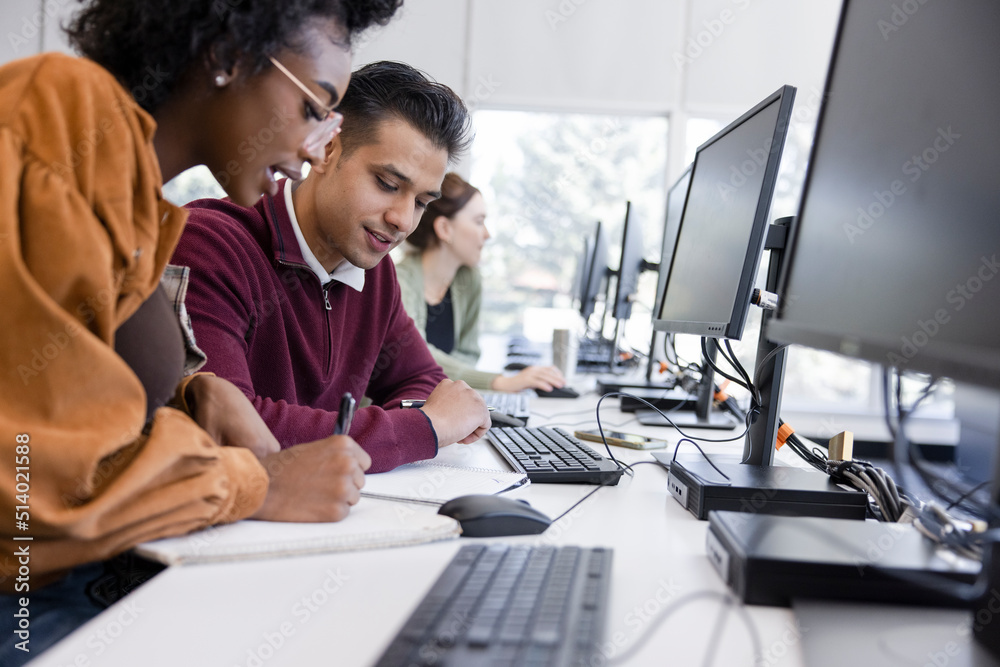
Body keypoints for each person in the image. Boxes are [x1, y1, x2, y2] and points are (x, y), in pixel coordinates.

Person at [0, 0, 402, 661]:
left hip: (88, 574)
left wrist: (193, 397)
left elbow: (79, 383)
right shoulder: (61, 110)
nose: (313, 151)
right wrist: (258, 481)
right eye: (313, 108)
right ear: (230, 55)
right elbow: (33, 484)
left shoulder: (139, 200)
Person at [170, 61, 490, 471]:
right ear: (326, 149)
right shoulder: (210, 245)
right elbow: (232, 430)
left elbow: (422, 382)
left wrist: (412, 423)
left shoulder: (376, 273)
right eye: (388, 185)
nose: (403, 220)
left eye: (422, 202)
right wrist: (424, 428)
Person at [395, 173, 566, 392]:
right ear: (445, 229)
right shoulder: (400, 282)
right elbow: (416, 354)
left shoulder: (467, 278)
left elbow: (468, 354)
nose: (487, 234)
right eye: (479, 222)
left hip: (436, 399)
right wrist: (499, 382)